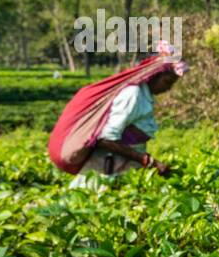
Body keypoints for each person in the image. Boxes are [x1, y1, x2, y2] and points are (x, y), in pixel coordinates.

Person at [76, 43, 185, 178]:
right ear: (155, 74)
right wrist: (149, 161)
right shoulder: (133, 94)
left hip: (123, 170)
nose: (168, 88)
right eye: (167, 82)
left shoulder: (144, 96)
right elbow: (105, 138)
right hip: (106, 172)